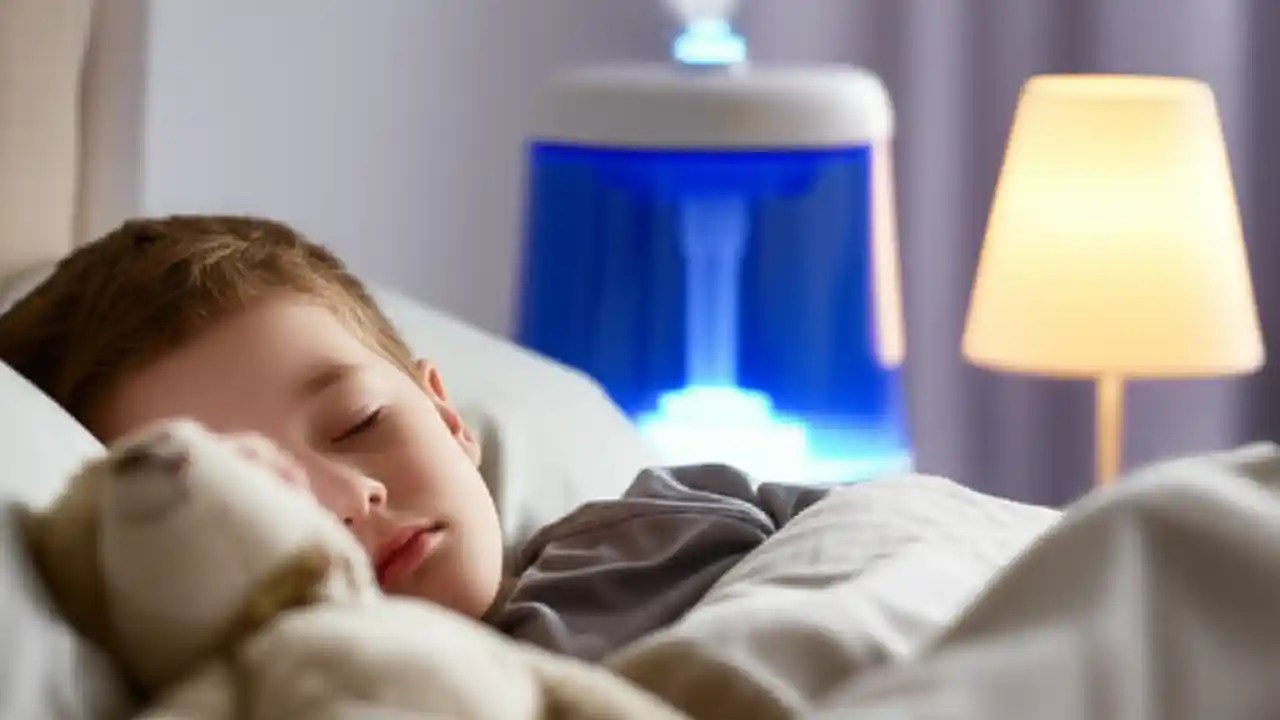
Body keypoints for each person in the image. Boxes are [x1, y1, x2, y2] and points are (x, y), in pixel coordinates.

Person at [0, 215, 828, 659]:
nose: (348, 498)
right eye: (258, 486)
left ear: (448, 417)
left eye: (360, 422)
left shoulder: (672, 529)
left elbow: (891, 544)